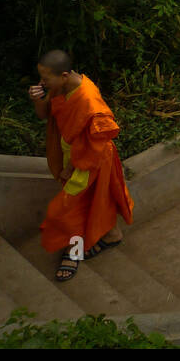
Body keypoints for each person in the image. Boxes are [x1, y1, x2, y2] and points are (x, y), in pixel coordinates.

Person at [28, 50, 134, 281]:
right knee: (95, 203)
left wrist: (72, 168)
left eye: (45, 79)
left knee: (65, 210)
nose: (42, 83)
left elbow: (99, 140)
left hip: (90, 160)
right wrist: (38, 99)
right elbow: (45, 114)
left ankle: (73, 252)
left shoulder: (88, 99)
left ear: (64, 75)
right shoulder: (60, 87)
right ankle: (112, 235)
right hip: (73, 155)